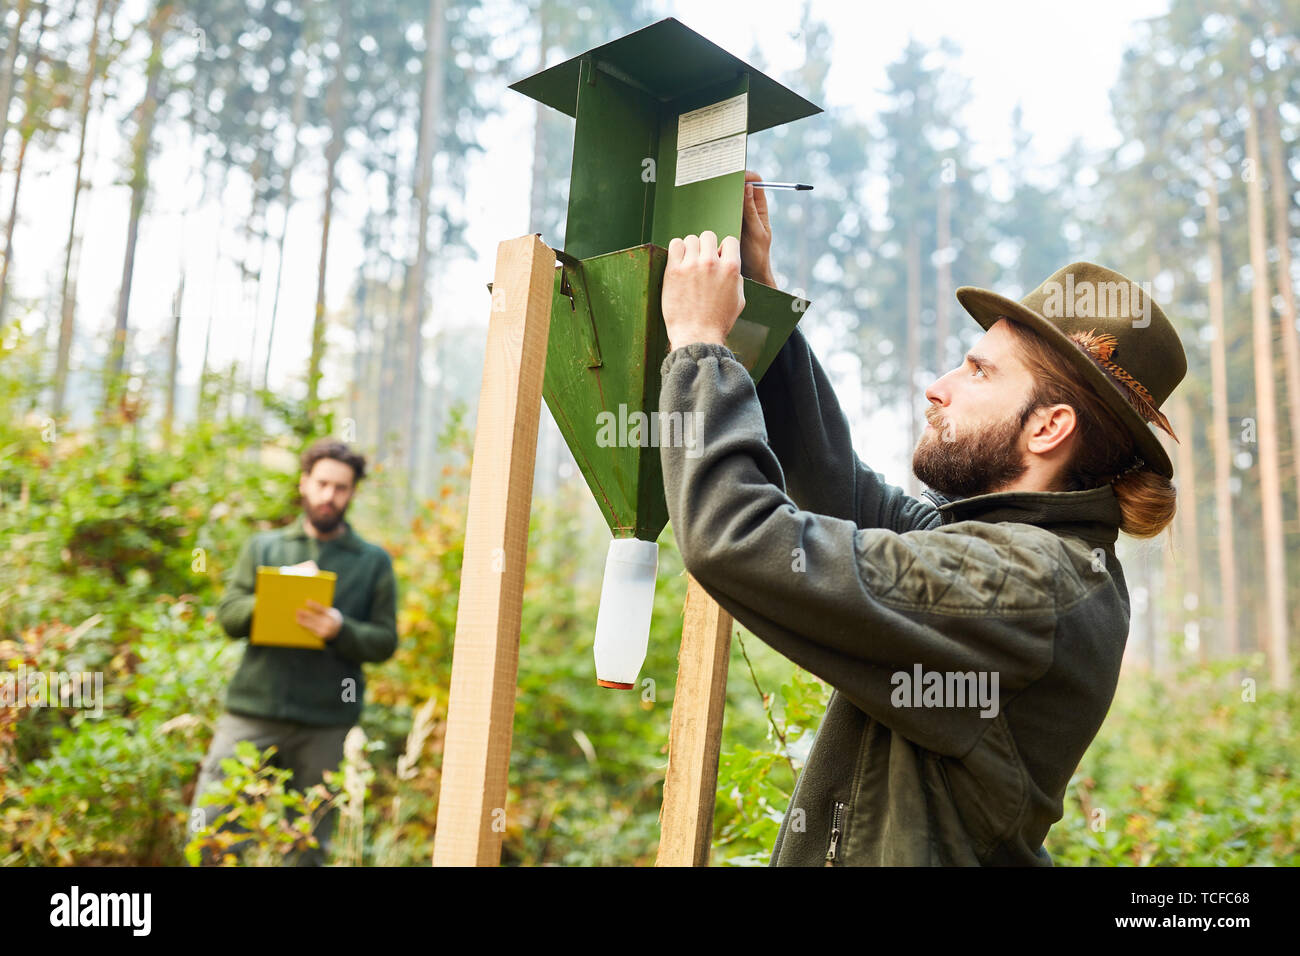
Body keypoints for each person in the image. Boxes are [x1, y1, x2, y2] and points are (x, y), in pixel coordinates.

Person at [655, 171, 1187, 865]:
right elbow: (834, 484)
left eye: (979, 372)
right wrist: (762, 298)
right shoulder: (1009, 550)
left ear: (1049, 427)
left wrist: (699, 347)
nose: (939, 387)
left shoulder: (1022, 583)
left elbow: (737, 541)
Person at [189, 438, 398, 866]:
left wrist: (340, 629)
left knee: (306, 849)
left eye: (341, 488)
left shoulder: (372, 561)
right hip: (252, 711)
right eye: (322, 483)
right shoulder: (264, 548)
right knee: (212, 829)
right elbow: (228, 616)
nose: (329, 496)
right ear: (304, 483)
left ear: (352, 492)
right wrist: (277, 594)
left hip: (325, 723)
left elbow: (383, 641)